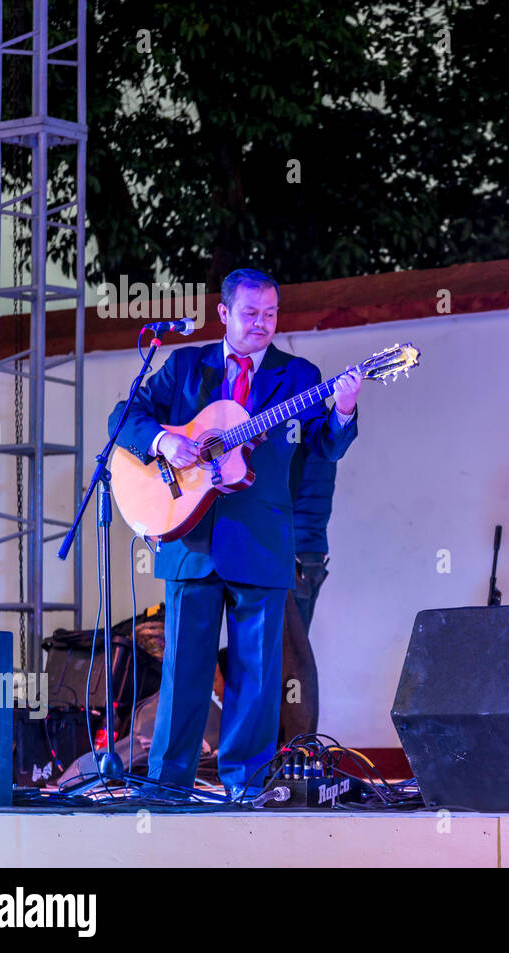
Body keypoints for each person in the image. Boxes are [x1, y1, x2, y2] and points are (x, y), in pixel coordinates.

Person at [112, 268, 361, 797]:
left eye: (271, 313)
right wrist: (163, 442)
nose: (263, 324)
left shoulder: (298, 376)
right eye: (251, 313)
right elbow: (125, 415)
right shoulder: (184, 366)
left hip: (262, 542)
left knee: (257, 676)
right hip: (189, 538)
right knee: (184, 674)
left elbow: (324, 448)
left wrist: (342, 409)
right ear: (223, 313)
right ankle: (166, 786)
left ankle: (245, 786)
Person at [279, 446, 336, 745]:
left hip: (295, 552)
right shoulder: (321, 426)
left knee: (292, 663)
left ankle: (296, 749)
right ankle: (296, 747)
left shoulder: (304, 421)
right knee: (293, 660)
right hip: (305, 552)